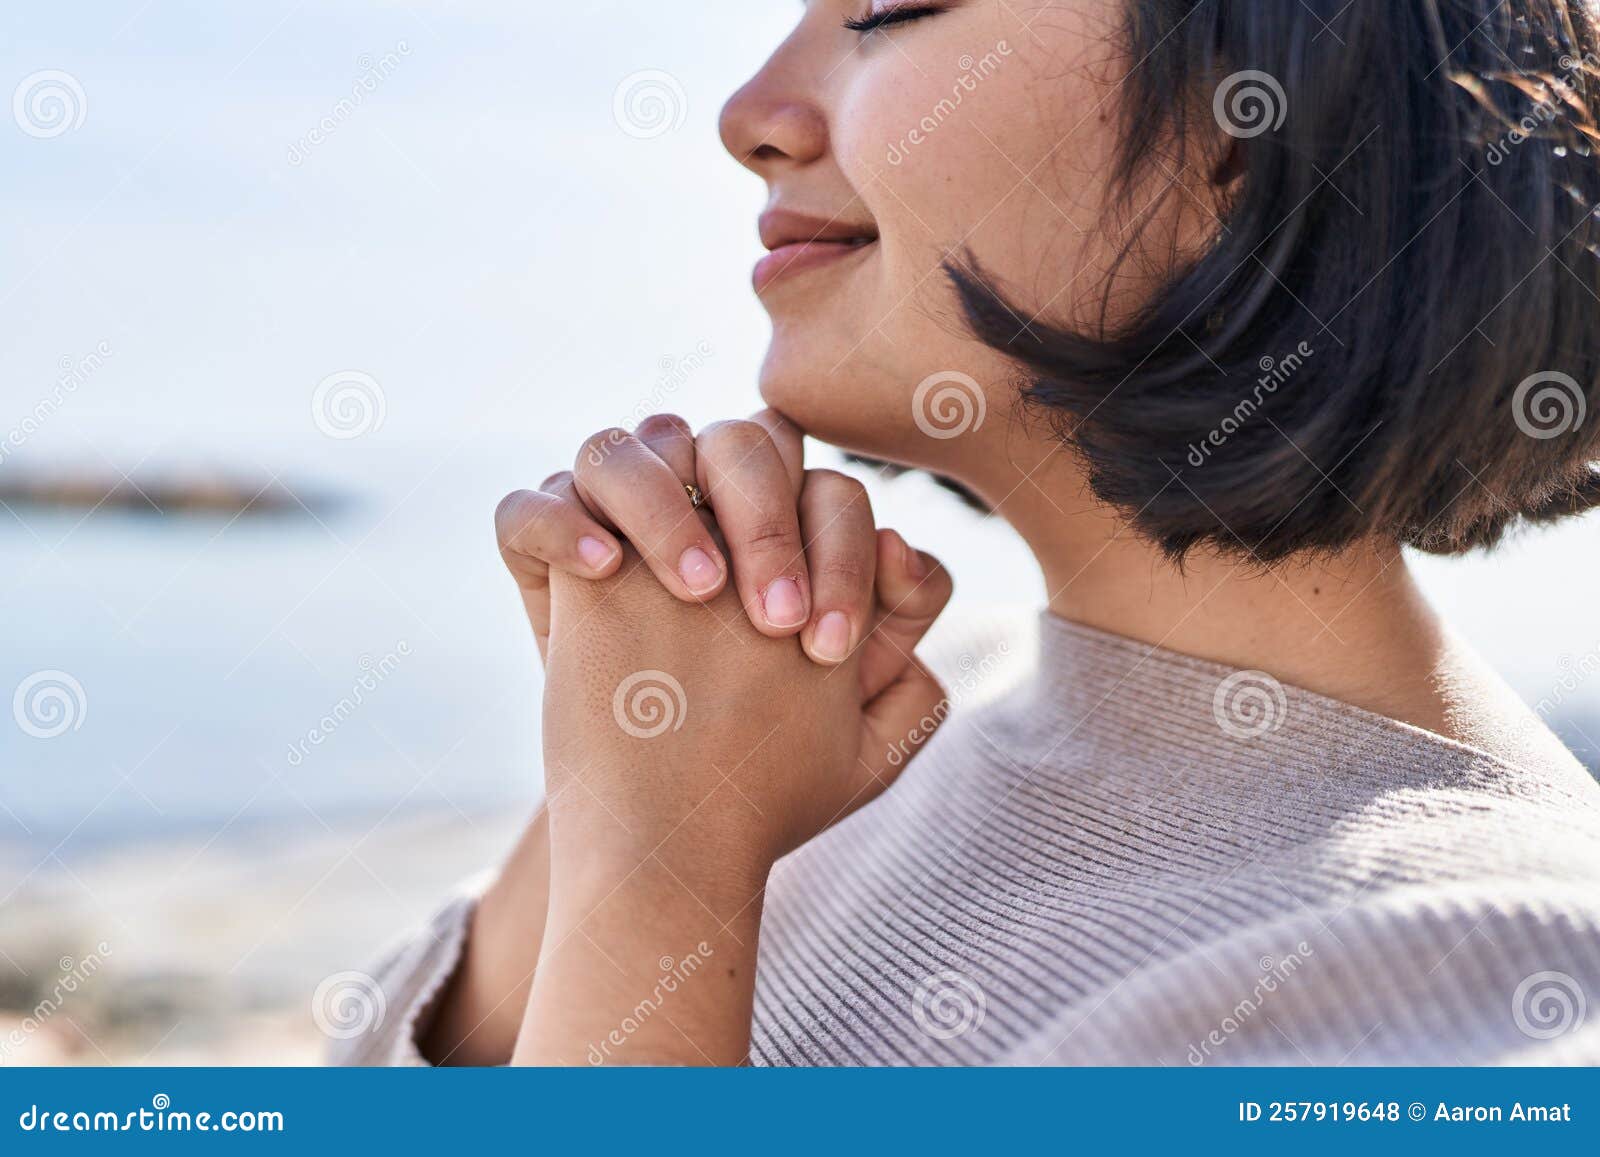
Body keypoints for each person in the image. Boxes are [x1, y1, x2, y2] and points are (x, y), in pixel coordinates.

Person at [335, 0, 1600, 1066]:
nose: (750, 113)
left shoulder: (1476, 976)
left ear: (1251, 128)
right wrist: (626, 758)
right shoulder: (888, 701)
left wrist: (661, 876)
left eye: (892, 4)